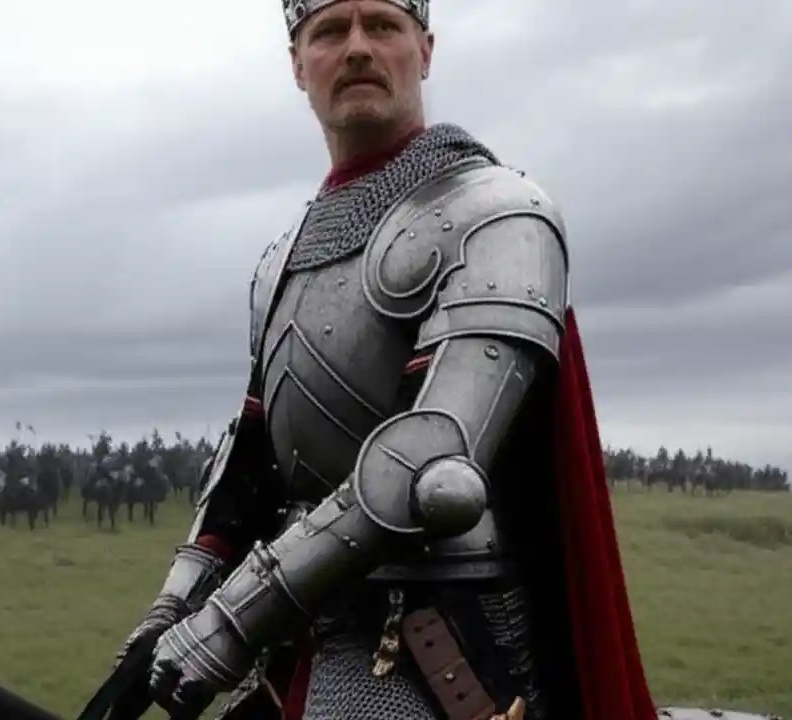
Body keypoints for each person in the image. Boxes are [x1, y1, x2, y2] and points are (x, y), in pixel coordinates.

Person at [111, 1, 659, 719]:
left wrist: (228, 624)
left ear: (424, 51)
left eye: (382, 26)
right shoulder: (282, 257)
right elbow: (251, 455)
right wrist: (174, 603)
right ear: (298, 65)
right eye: (330, 31)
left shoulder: (496, 214)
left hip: (430, 636)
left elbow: (429, 466)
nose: (357, 48)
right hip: (297, 633)